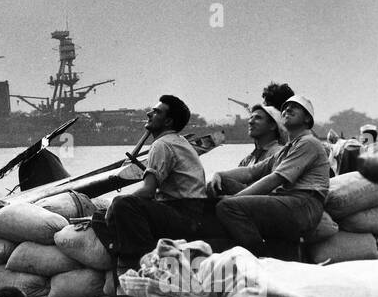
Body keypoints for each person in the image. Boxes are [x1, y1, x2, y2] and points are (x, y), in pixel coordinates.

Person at [94, 94, 209, 268]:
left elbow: (148, 191)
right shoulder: (179, 141)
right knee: (99, 216)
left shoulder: (162, 144)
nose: (149, 114)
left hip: (183, 215)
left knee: (121, 204)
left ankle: (140, 261)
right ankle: (122, 250)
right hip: (191, 214)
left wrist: (116, 204)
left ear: (168, 122)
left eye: (156, 112)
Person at [211, 95, 330, 261]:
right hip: (288, 202)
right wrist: (219, 175)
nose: (287, 109)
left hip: (304, 205)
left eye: (295, 107)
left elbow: (275, 179)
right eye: (285, 107)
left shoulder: (308, 143)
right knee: (220, 186)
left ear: (307, 119)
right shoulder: (286, 149)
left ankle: (261, 259)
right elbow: (251, 172)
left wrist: (235, 199)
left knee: (228, 207)